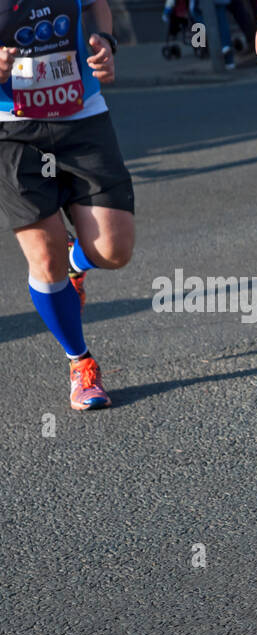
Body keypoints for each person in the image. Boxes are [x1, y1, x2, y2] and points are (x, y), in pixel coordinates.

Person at [0, 0, 133, 410]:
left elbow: (95, 5)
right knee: (45, 256)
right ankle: (80, 361)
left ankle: (78, 262)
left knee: (113, 251)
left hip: (83, 115)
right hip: (11, 128)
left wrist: (104, 41)